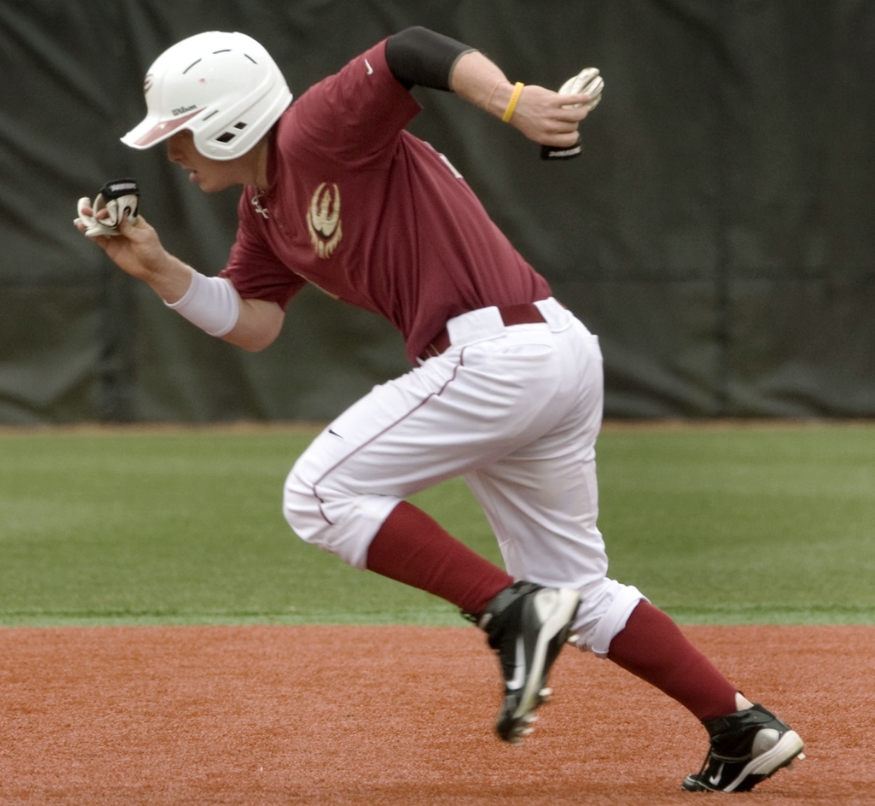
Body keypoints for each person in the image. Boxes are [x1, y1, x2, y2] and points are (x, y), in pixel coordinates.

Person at [75, 27, 804, 792]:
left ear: (228, 119)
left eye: (180, 133)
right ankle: (740, 725)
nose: (172, 153)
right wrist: (158, 268)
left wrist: (514, 103)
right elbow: (253, 322)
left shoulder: (314, 128)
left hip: (499, 355)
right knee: (578, 591)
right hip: (544, 351)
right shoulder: (265, 208)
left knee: (319, 492)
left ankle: (507, 611)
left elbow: (409, 50)